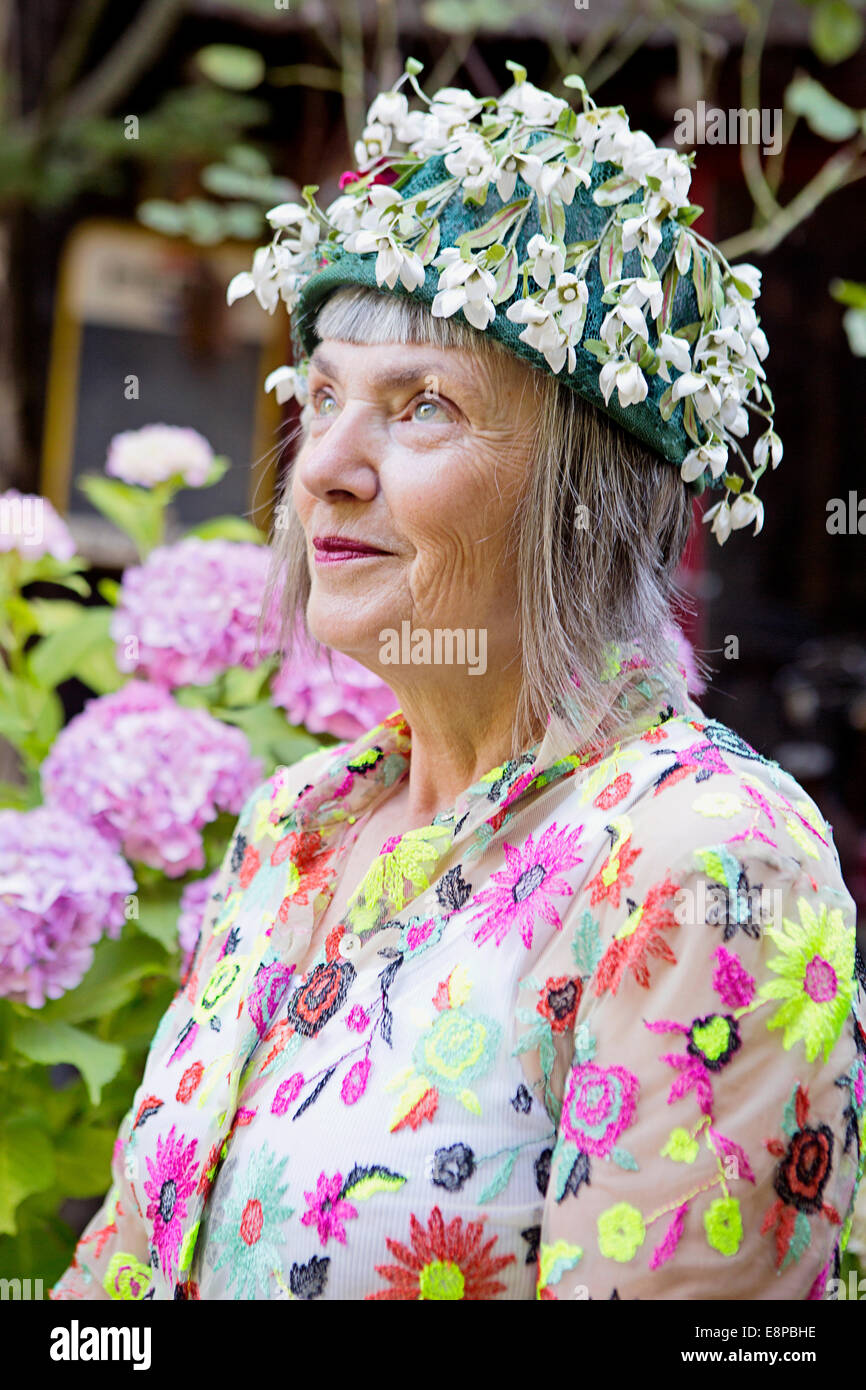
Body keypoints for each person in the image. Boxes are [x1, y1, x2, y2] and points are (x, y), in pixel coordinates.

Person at [51, 61, 864, 1301]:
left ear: (586, 499)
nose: (321, 462)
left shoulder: (701, 860)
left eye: (419, 406)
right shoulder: (294, 827)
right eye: (320, 395)